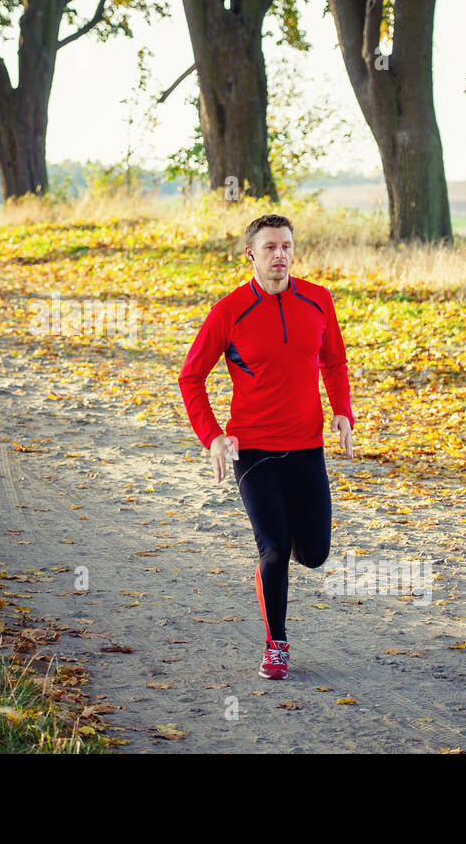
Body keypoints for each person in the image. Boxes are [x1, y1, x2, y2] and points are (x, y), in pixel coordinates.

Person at [178, 214, 355, 680]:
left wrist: (342, 410)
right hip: (252, 448)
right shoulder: (229, 310)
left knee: (313, 553)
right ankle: (276, 644)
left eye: (287, 247)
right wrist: (213, 435)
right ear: (251, 255)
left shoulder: (317, 300)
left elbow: (333, 361)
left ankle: (283, 540)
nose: (280, 255)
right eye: (271, 247)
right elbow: (190, 376)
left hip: (305, 446)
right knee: (274, 548)